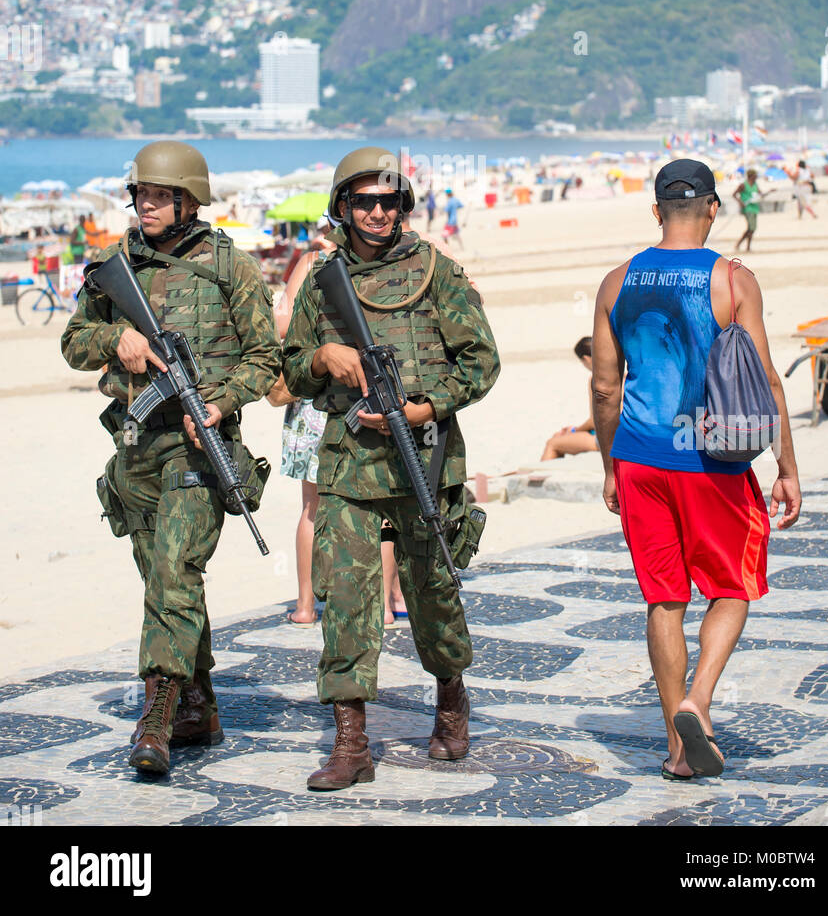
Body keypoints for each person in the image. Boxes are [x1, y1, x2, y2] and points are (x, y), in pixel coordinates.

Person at [282, 146, 500, 791]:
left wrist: (423, 406)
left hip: (425, 462)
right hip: (350, 467)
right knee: (346, 600)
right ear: (342, 208)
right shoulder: (323, 282)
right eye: (363, 202)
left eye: (388, 201)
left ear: (403, 206)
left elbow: (481, 363)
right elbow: (289, 370)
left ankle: (451, 696)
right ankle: (351, 742)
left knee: (433, 594)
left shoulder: (438, 273)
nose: (377, 213)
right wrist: (325, 356)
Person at [60, 142, 281, 777]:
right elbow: (74, 343)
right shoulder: (112, 266)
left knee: (174, 573)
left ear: (189, 200)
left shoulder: (228, 267)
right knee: (164, 580)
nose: (147, 206)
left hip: (198, 448)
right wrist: (116, 338)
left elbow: (265, 359)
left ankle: (154, 717)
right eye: (141, 196)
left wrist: (220, 401)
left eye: (161, 196)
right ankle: (199, 704)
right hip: (134, 450)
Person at [591, 158, 801, 781]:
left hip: (638, 458)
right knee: (732, 586)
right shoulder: (733, 280)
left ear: (656, 211)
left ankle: (679, 754)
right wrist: (787, 466)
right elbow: (765, 378)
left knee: (664, 599)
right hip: (712, 460)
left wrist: (610, 467)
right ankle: (699, 701)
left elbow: (605, 388)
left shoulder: (616, 281)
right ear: (714, 208)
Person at [268, 219, 410, 629]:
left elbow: (285, 326)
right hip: (368, 395)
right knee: (383, 505)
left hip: (315, 398)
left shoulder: (312, 262)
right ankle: (386, 603)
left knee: (312, 509)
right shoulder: (392, 261)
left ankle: (307, 606)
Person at [541, 337, 599, 459]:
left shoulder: (595, 379)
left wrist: (574, 431)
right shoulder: (622, 373)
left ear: (586, 359)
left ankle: (538, 475)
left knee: (553, 443)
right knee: (561, 438)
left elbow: (595, 421)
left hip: (608, 439)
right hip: (627, 433)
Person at [732, 168, 771, 252]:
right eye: (755, 175)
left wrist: (769, 192)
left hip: (755, 207)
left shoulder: (755, 185)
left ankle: (745, 246)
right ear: (751, 176)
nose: (756, 177)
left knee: (752, 228)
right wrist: (740, 202)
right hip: (747, 208)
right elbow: (734, 194)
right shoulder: (743, 185)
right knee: (751, 227)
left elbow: (761, 194)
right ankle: (743, 245)